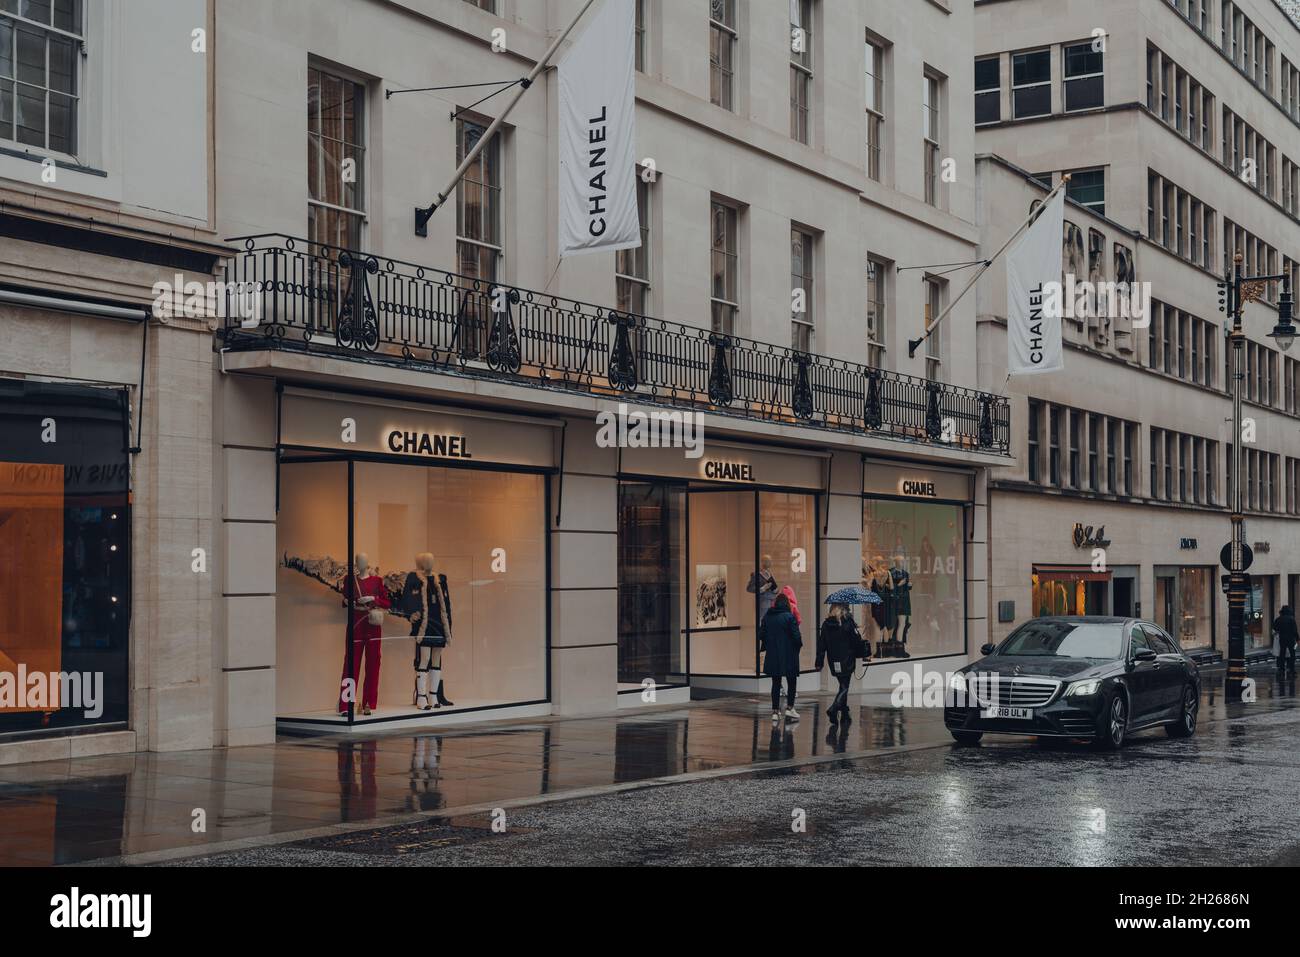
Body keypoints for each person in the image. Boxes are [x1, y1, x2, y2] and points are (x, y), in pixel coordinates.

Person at [816, 602, 867, 724]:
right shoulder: (847, 621)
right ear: (844, 609)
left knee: (842, 685)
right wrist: (857, 632)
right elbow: (856, 641)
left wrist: (819, 661)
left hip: (833, 661)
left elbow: (821, 644)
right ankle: (834, 709)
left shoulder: (826, 624)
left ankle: (844, 713)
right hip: (847, 659)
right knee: (845, 687)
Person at [760, 593, 802, 722]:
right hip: (789, 654)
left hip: (773, 654)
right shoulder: (789, 617)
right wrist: (797, 647)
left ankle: (775, 711)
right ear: (787, 604)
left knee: (776, 683)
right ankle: (790, 708)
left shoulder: (767, 617)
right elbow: (796, 637)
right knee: (792, 681)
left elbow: (761, 635)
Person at [1274, 605, 1298, 677]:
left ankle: (1281, 669)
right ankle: (1292, 669)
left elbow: (1275, 629)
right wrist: (1297, 638)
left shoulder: (1278, 619)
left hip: (1282, 639)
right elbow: (1294, 630)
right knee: (1292, 654)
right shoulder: (1291, 619)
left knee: (1282, 653)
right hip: (1291, 639)